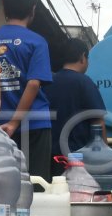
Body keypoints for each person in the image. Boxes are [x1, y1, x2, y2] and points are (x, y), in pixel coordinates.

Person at [0, 0, 54, 181]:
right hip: (33, 126)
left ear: (4, 8)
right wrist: (14, 122)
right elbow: (34, 83)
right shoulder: (37, 41)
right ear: (33, 10)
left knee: (1, 186)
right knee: (36, 185)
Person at [45, 37, 106, 172]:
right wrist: (104, 153)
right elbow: (98, 121)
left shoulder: (47, 83)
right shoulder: (84, 82)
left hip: (50, 157)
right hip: (79, 158)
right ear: (83, 57)